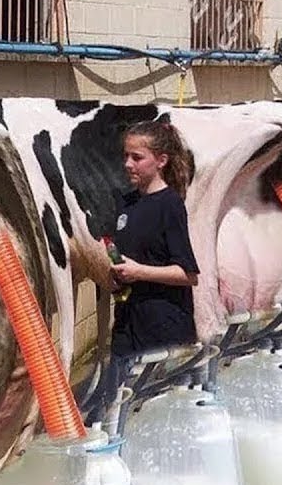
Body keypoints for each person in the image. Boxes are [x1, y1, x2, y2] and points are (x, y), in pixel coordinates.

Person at [84, 120, 201, 426]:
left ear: (161, 161)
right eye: (126, 156)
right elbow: (116, 250)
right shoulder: (126, 203)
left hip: (163, 329)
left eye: (137, 157)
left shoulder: (170, 206)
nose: (128, 164)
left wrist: (139, 271)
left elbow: (188, 274)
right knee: (121, 414)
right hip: (126, 326)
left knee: (164, 416)